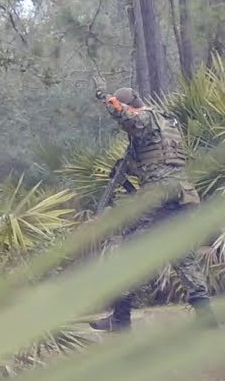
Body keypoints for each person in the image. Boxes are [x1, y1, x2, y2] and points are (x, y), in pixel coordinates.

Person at [89, 79, 216, 332]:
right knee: (182, 253)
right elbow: (156, 161)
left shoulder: (144, 119)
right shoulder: (166, 123)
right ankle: (206, 316)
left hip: (157, 193)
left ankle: (121, 318)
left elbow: (126, 118)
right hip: (179, 192)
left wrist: (105, 97)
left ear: (130, 106)